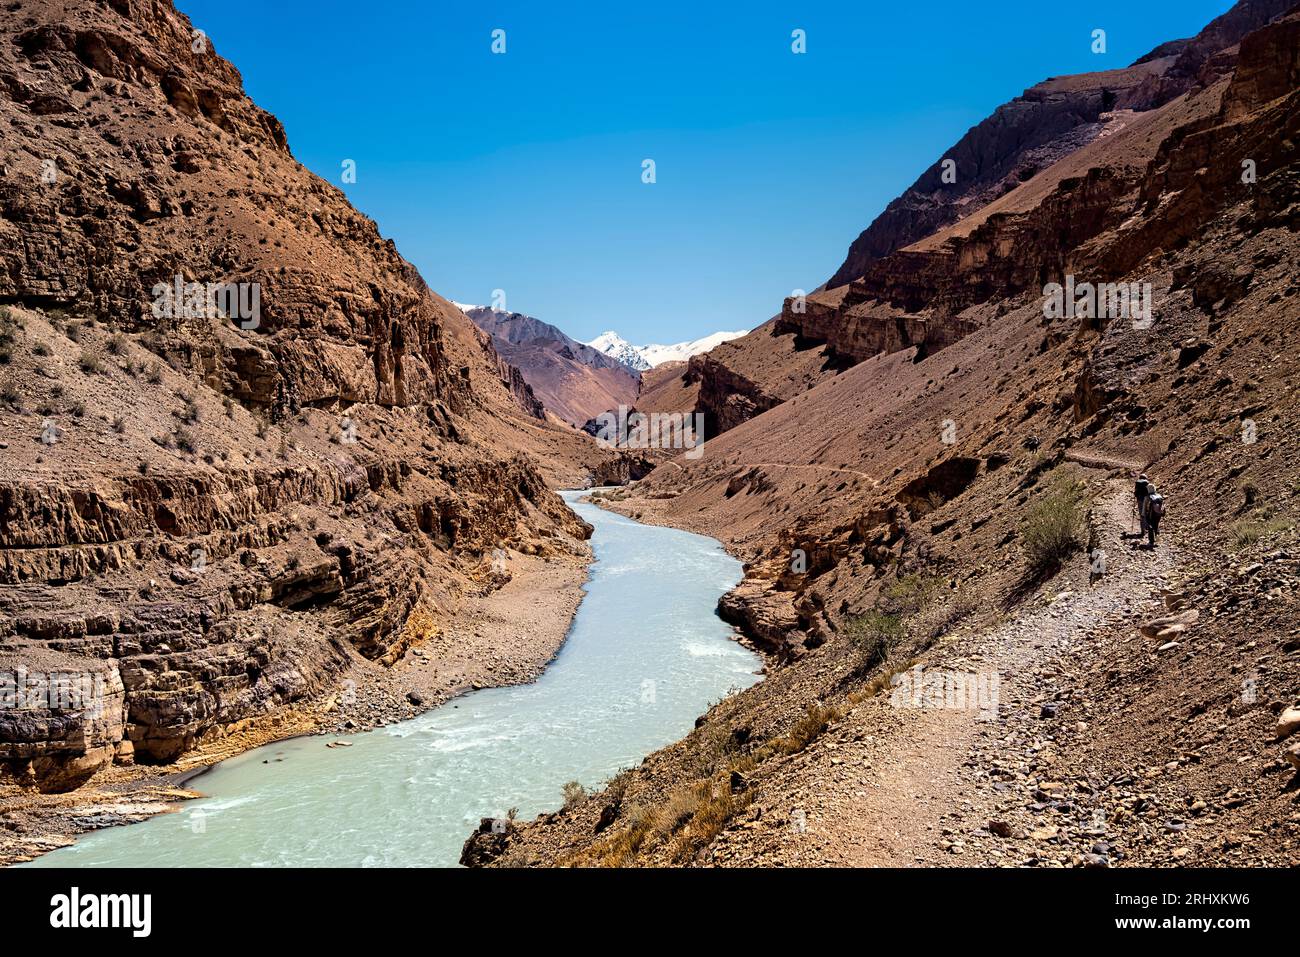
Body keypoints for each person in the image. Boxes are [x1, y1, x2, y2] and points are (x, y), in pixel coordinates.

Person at [1142, 483, 1165, 548]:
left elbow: (1144, 507)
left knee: (1150, 527)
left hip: (1150, 514)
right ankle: (1158, 539)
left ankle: (1151, 542)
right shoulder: (1159, 496)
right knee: (1156, 525)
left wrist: (1143, 514)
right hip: (1158, 514)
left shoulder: (1147, 497)